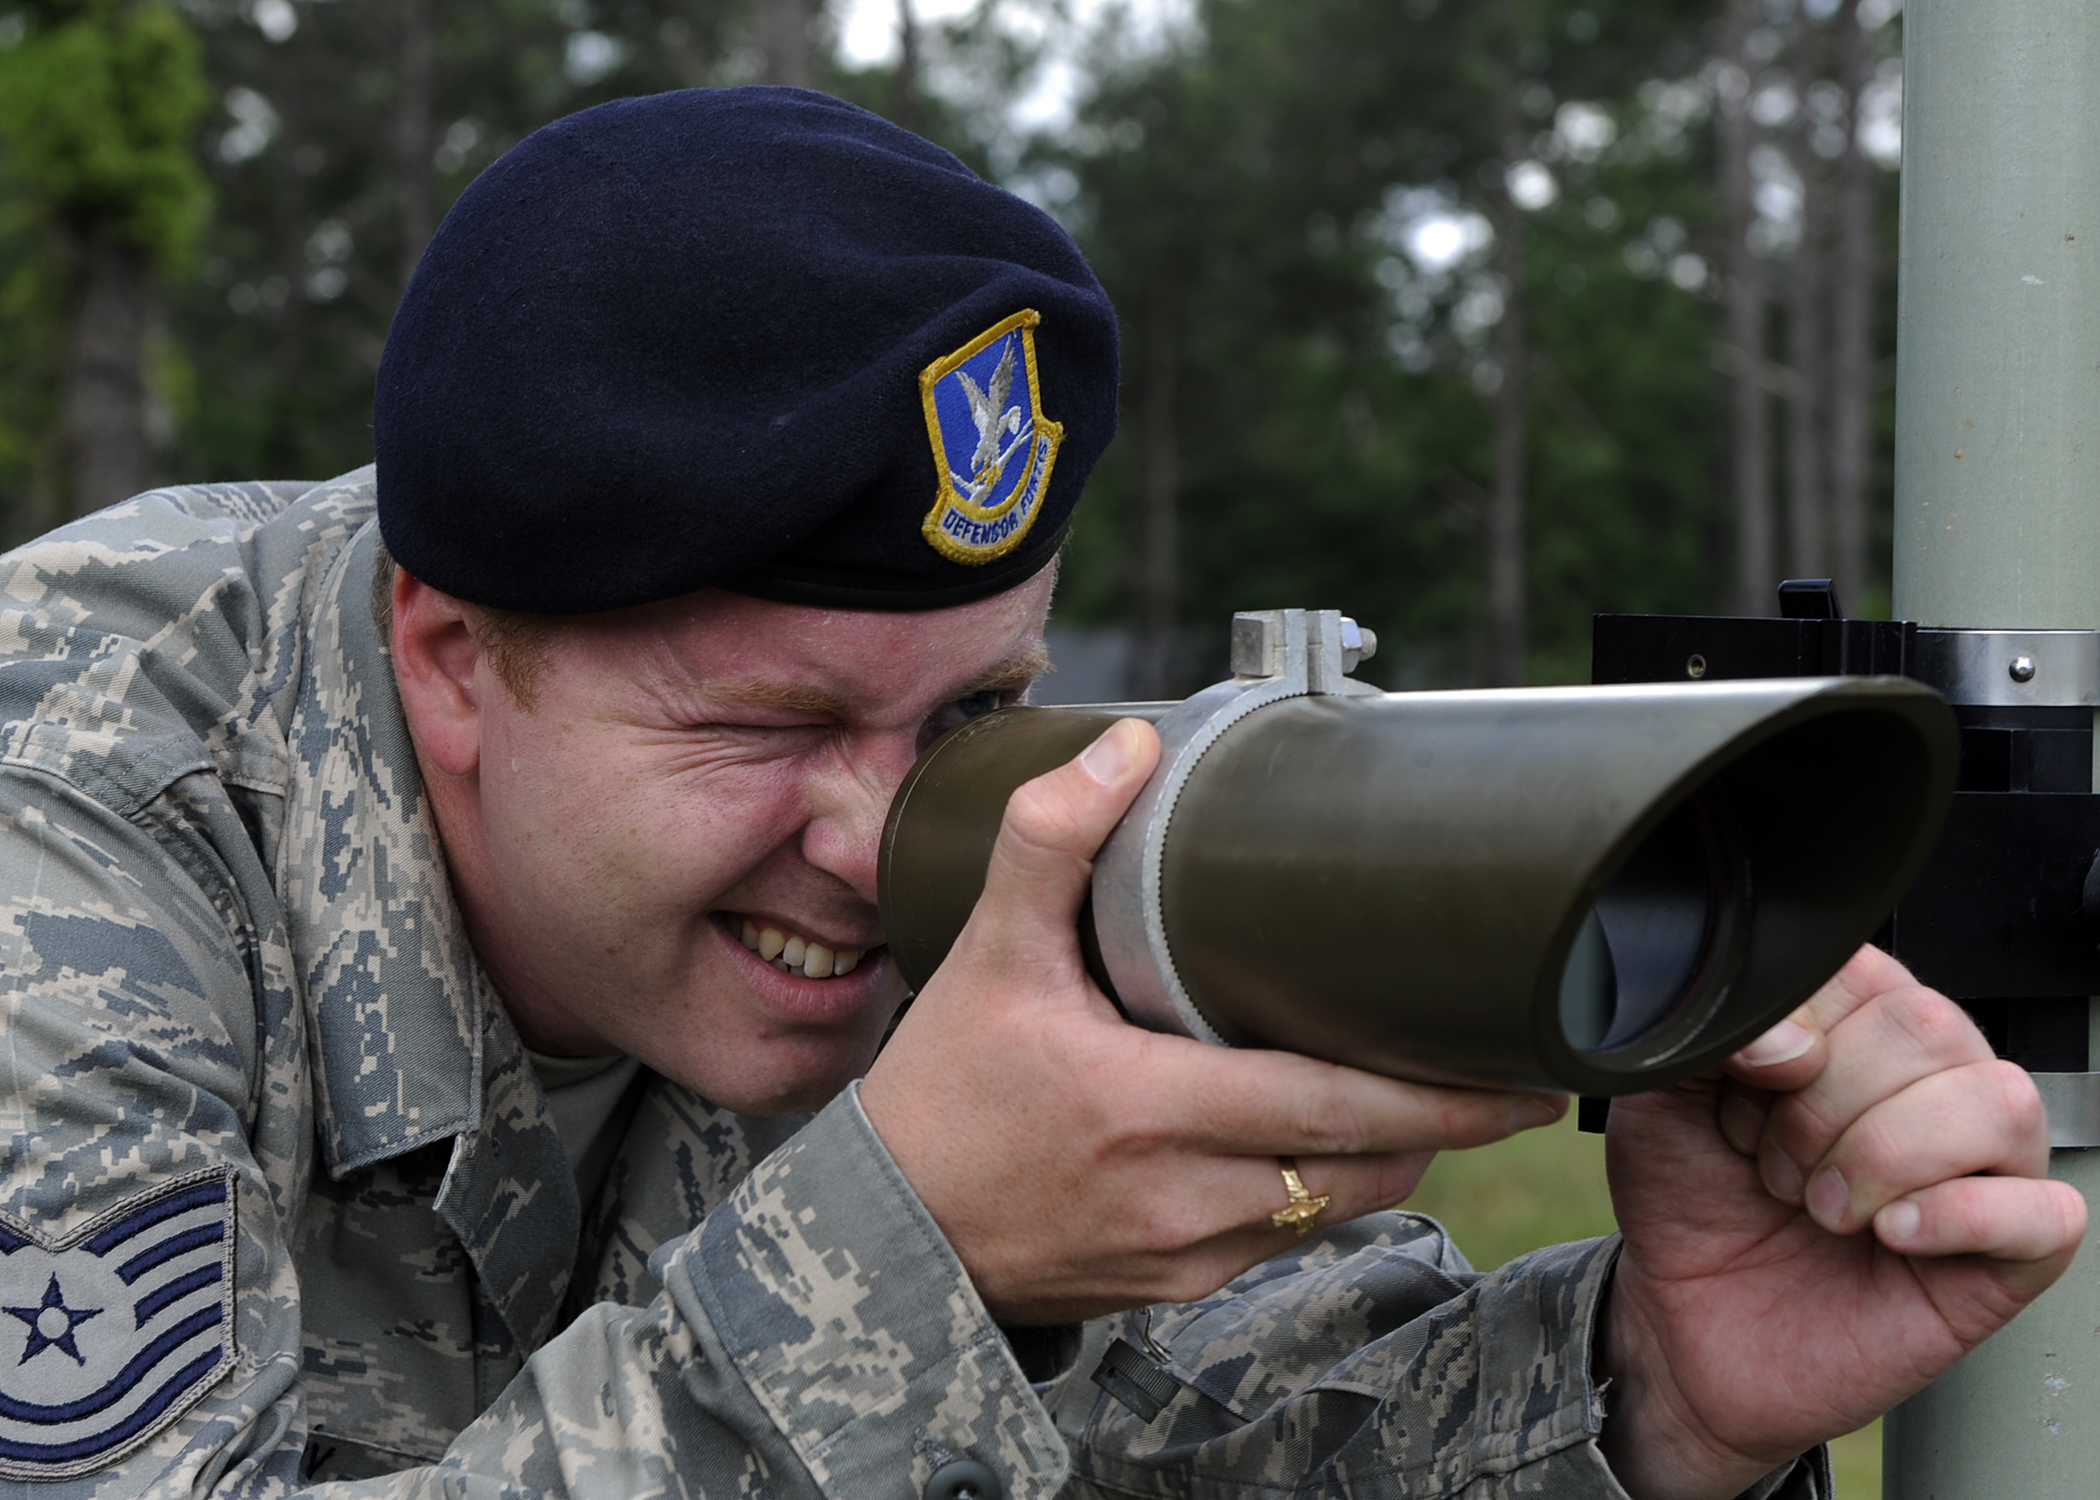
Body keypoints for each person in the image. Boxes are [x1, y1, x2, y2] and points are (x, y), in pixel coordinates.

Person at [0, 86, 2076, 1500]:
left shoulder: (962, 836)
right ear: (456, 660)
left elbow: (1186, 1421)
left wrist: (1647, 1393)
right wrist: (900, 1261)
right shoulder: (71, 843)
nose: (871, 845)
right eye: (763, 727)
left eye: (976, 705)